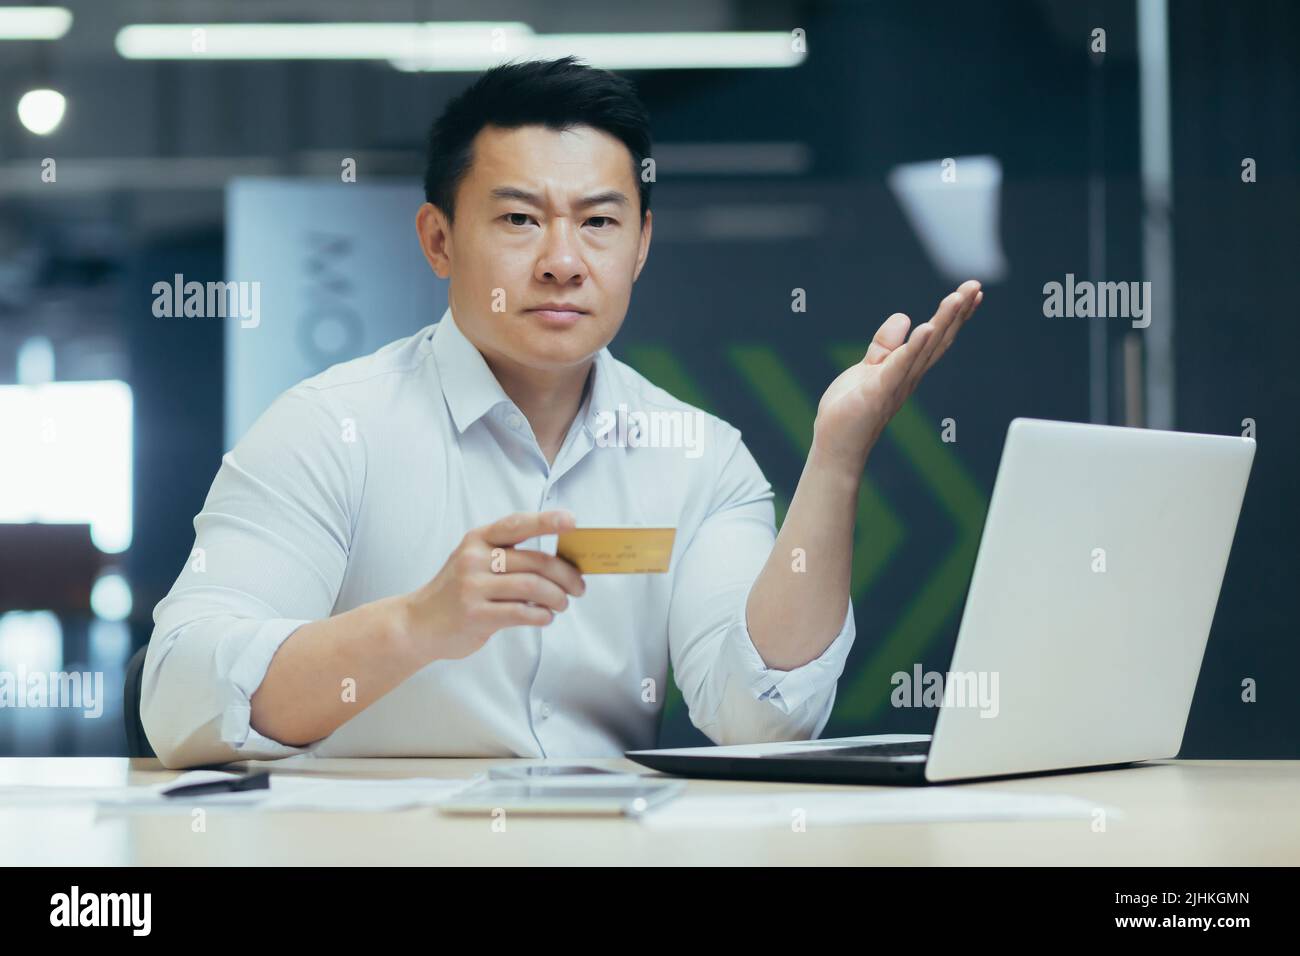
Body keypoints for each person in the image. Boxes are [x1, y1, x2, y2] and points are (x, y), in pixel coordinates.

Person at [142, 56, 982, 768]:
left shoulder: (700, 458)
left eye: (599, 222)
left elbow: (763, 719)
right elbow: (178, 693)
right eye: (518, 219)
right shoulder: (329, 430)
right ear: (438, 239)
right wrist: (415, 625)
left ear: (642, 243)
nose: (562, 262)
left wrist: (838, 456)